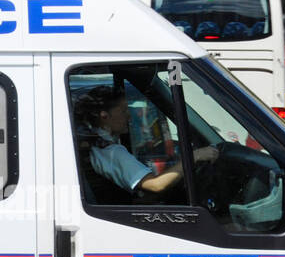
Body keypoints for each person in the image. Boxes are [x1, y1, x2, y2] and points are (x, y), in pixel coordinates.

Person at [76, 85, 217, 198]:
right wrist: (195, 156)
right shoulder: (112, 152)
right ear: (104, 115)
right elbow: (155, 185)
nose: (129, 118)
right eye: (123, 111)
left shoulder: (95, 143)